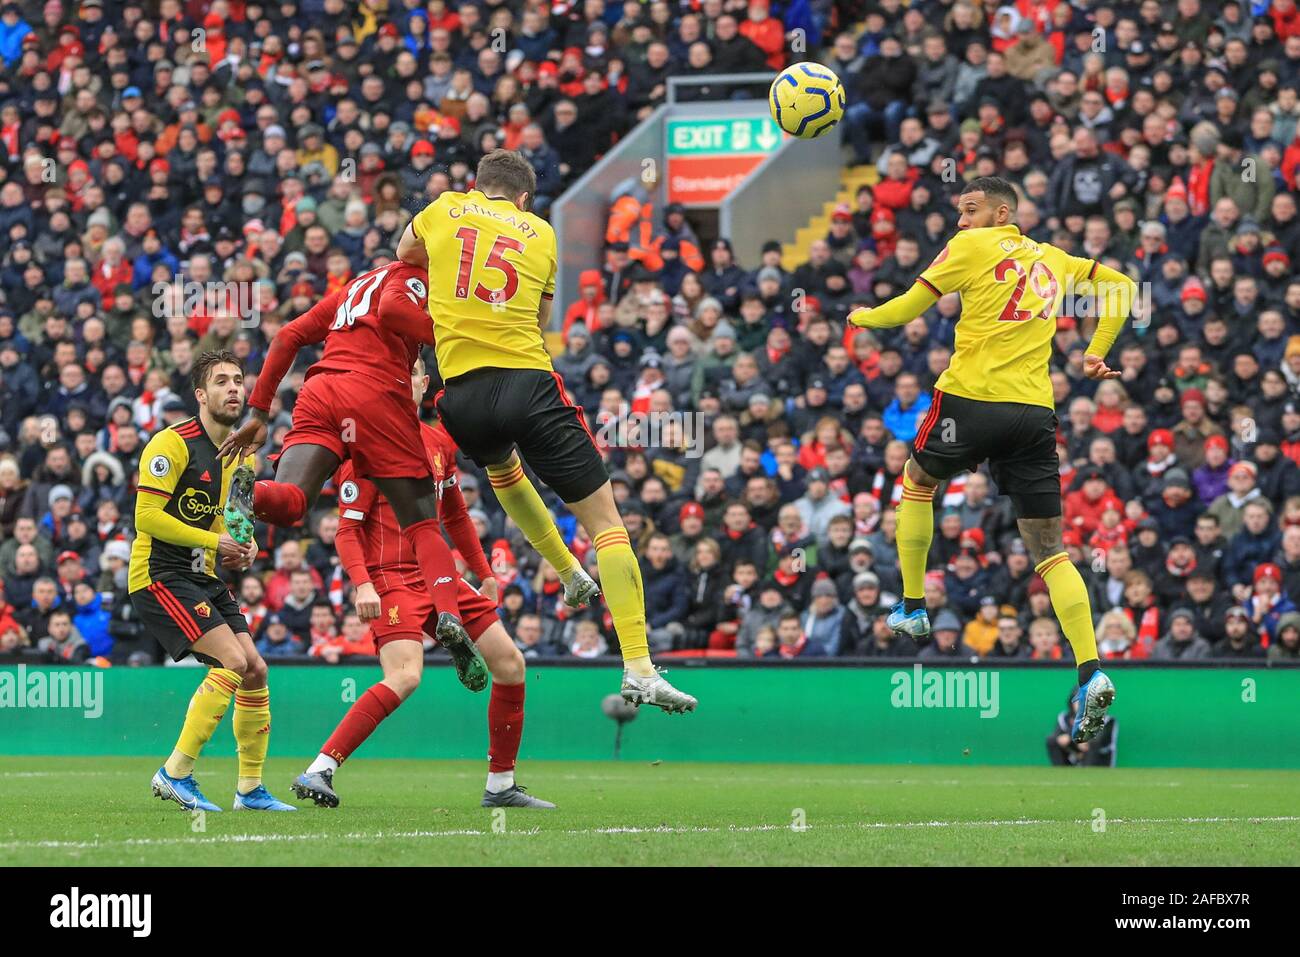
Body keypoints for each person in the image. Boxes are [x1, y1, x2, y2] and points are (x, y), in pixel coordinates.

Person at [397, 149, 695, 713]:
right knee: (607, 524)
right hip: (525, 381)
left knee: (501, 468)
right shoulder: (541, 232)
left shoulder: (445, 208)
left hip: (459, 393)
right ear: (524, 197)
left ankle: (567, 572)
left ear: (477, 184)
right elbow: (539, 319)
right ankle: (639, 667)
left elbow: (404, 252)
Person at [849, 175, 1135, 744]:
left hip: (970, 403)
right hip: (1033, 415)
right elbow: (1124, 287)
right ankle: (1091, 670)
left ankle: (911, 605)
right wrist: (1096, 352)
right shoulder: (1054, 258)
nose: (961, 221)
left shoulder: (972, 247)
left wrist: (862, 318)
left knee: (916, 482)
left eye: (970, 209)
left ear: (1001, 212)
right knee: (1051, 552)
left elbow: (908, 307)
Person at [216, 254, 546, 692]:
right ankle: (448, 617)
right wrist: (451, 338)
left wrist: (259, 411)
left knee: (292, 502)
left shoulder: (353, 288)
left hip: (320, 390)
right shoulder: (417, 277)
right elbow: (394, 311)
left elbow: (288, 335)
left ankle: (251, 494)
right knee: (425, 522)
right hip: (372, 396)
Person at [294, 358, 554, 810]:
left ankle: (501, 786)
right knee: (406, 675)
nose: (400, 380)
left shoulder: (438, 444)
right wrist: (362, 585)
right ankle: (321, 768)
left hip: (440, 577)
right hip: (390, 579)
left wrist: (486, 572)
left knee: (511, 663)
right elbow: (346, 529)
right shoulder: (367, 448)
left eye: (409, 373)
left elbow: (454, 515)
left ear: (421, 383)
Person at [130, 350, 294, 812]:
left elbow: (238, 526)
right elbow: (145, 517)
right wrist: (215, 540)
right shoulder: (172, 444)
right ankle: (174, 772)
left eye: (239, 380)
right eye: (221, 382)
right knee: (232, 662)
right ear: (201, 395)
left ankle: (250, 790)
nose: (234, 389)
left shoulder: (243, 458)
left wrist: (247, 545)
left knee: (256, 669)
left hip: (202, 575)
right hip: (159, 573)